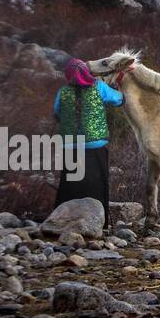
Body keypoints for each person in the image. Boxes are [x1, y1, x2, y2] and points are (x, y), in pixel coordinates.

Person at [53, 58, 124, 221]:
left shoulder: (63, 92)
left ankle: (63, 221)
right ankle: (97, 222)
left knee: (70, 185)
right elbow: (119, 99)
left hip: (70, 146)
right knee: (96, 184)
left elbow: (56, 112)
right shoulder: (99, 87)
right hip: (95, 146)